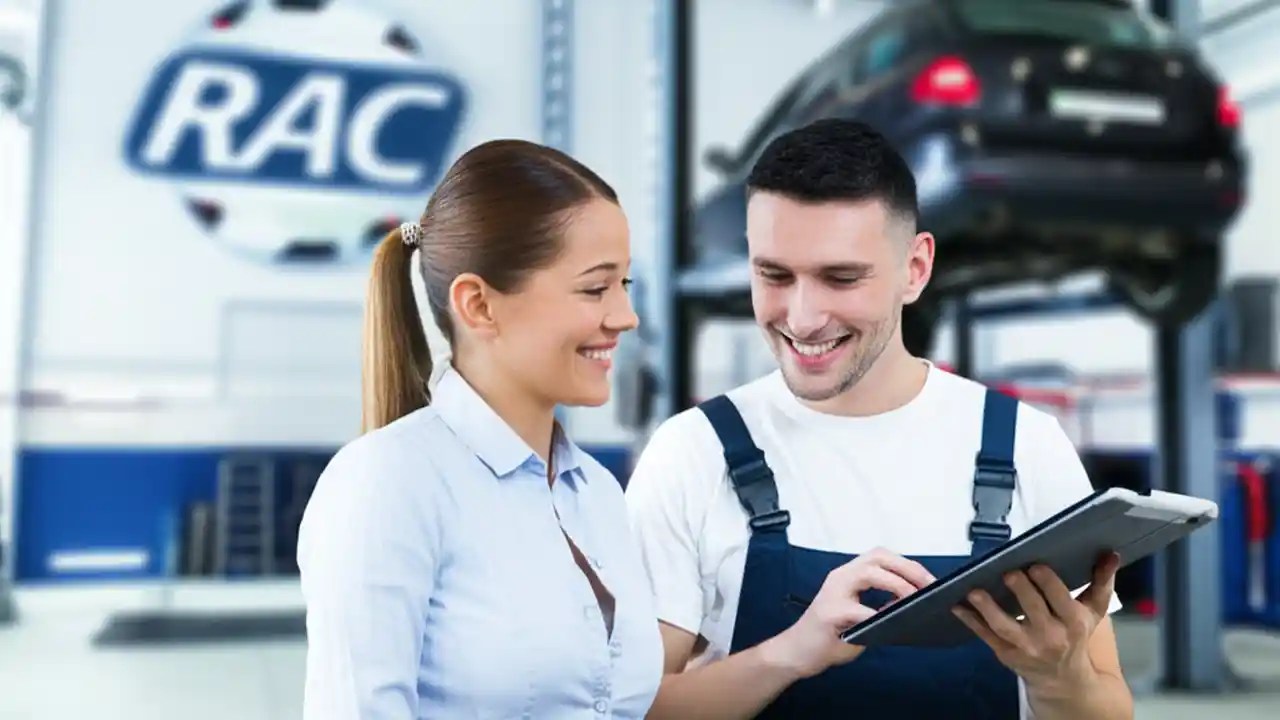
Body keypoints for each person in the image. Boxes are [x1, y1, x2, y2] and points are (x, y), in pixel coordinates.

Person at [624, 119, 1134, 719]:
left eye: (841, 278)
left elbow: (1110, 711)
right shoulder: (693, 453)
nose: (804, 316)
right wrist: (789, 654)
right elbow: (630, 710)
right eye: (774, 275)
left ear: (915, 269)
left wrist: (1057, 678)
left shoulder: (1027, 447)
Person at [297, 139, 663, 719]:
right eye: (596, 288)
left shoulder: (597, 494)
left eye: (626, 285)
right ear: (479, 306)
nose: (625, 316)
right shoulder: (387, 483)